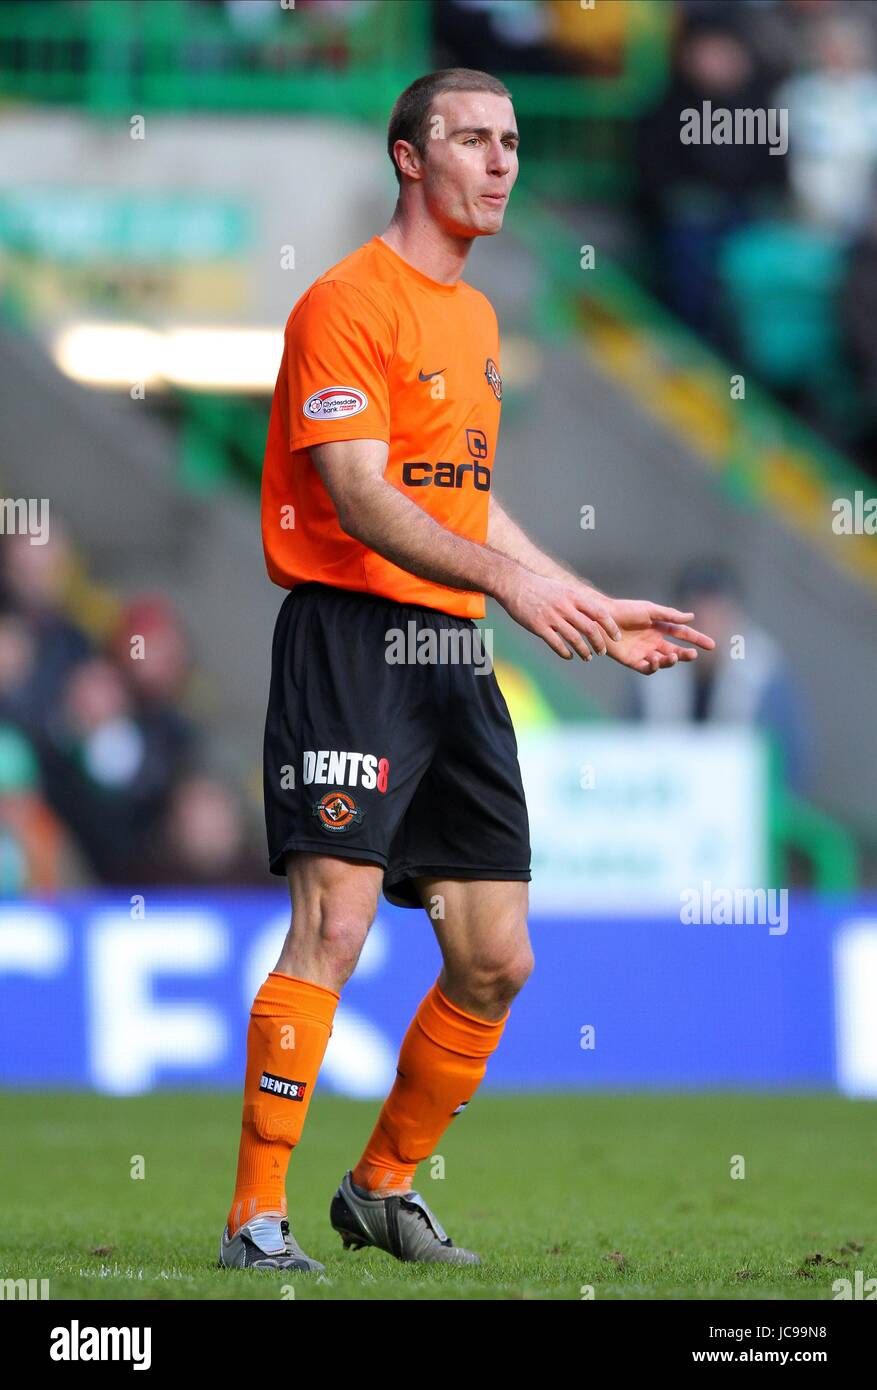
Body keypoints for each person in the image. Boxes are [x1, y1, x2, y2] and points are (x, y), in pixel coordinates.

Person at [220, 67, 714, 1273]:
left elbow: (464, 504)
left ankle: (380, 1186)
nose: (502, 162)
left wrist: (575, 591)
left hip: (453, 653)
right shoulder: (347, 302)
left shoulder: (478, 319)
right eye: (475, 140)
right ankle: (252, 1218)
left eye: (511, 141)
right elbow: (359, 494)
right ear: (409, 155)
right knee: (332, 923)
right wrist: (514, 586)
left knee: (496, 956)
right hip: (350, 638)